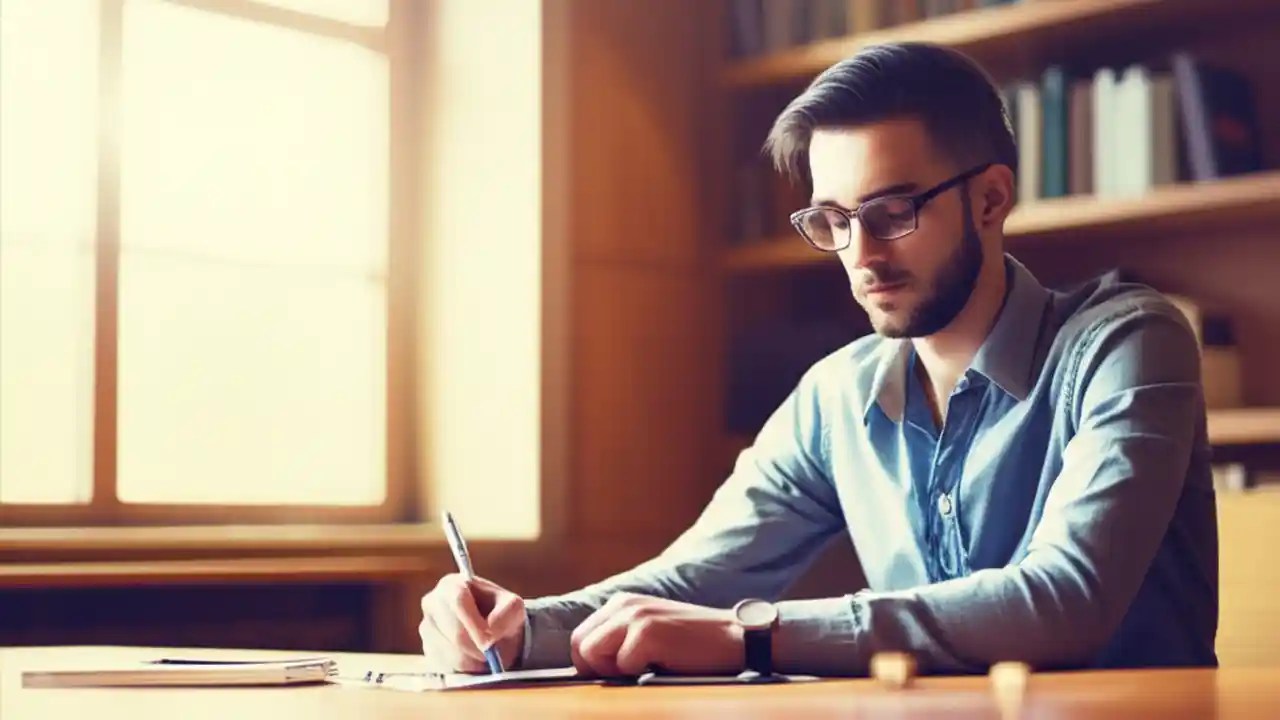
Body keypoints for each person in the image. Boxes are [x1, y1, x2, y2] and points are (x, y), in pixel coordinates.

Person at [418, 42, 1218, 677]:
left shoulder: (1128, 342)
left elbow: (1063, 600)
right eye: (832, 218)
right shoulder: (836, 395)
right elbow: (693, 582)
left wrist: (750, 638)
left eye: (892, 211)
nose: (859, 254)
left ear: (990, 198)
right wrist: (523, 626)